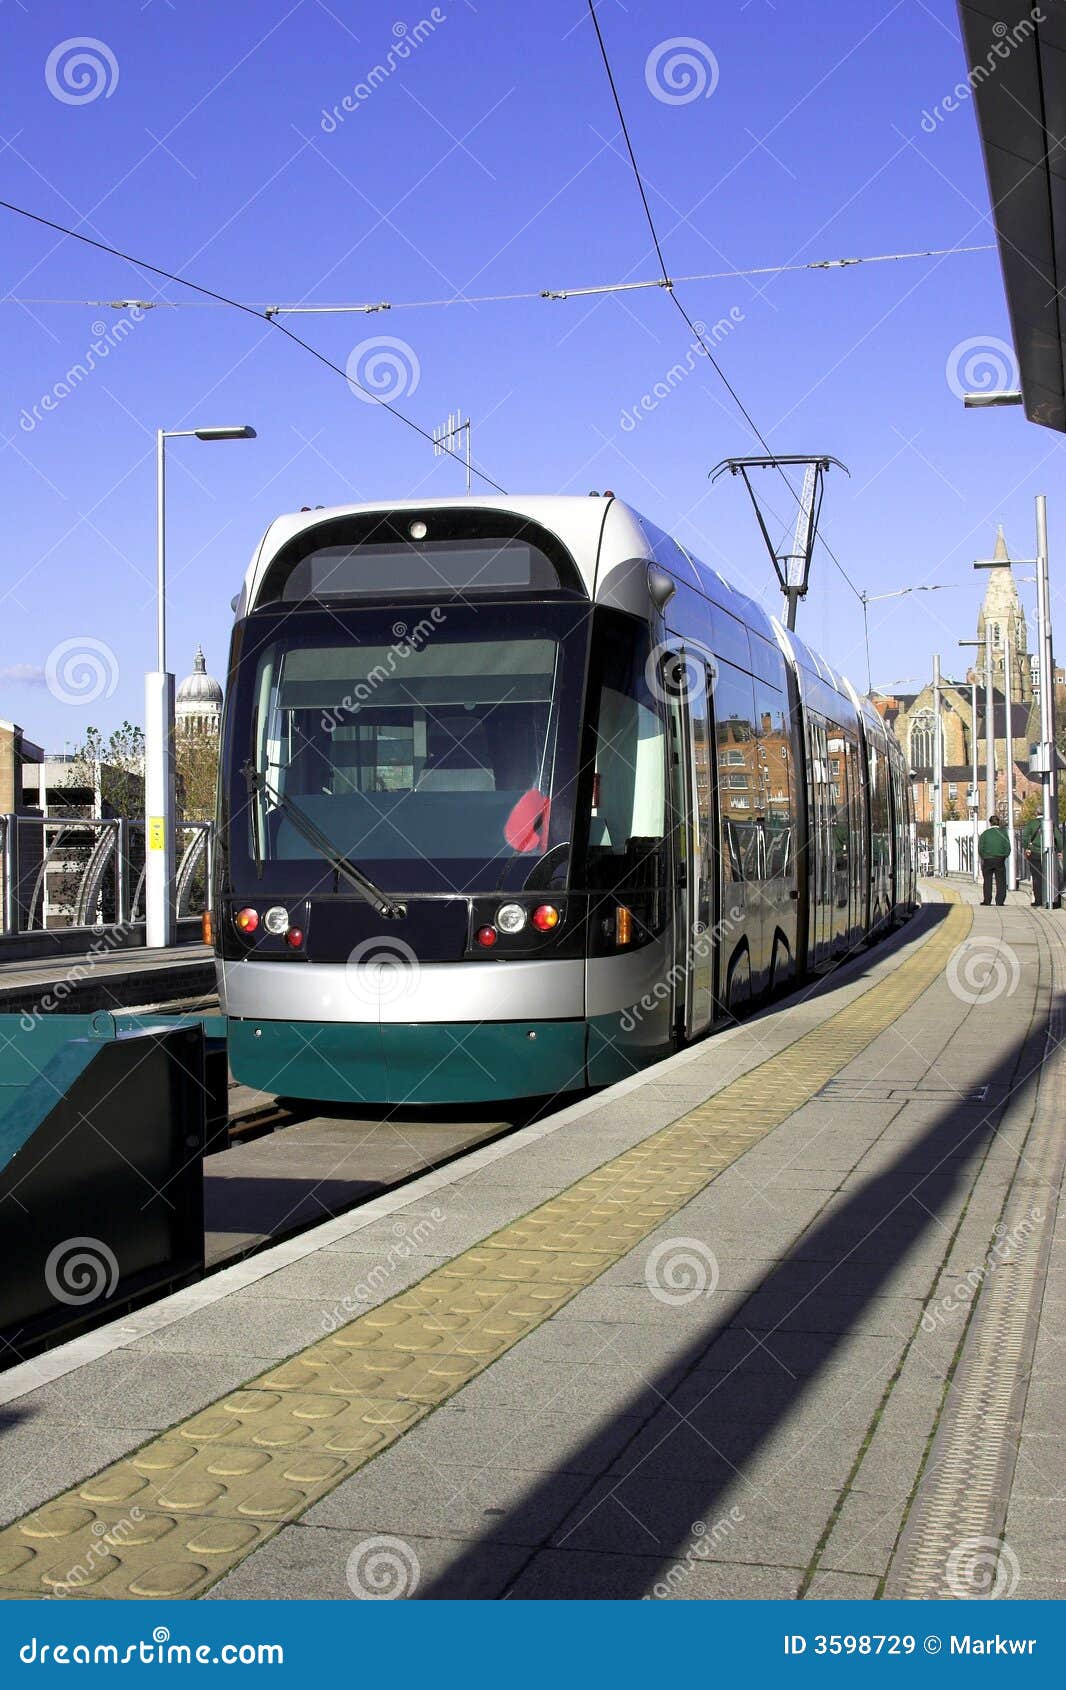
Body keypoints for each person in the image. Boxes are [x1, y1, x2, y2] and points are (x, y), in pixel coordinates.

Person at [1022, 812, 1063, 907]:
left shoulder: (1031, 823)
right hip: (1049, 853)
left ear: (1036, 813)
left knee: (1036, 877)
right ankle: (1052, 899)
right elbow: (1059, 838)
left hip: (1034, 853)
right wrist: (1059, 849)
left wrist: (1027, 847)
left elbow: (1025, 837)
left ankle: (1038, 900)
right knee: (1050, 875)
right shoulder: (1051, 823)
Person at [977, 813, 1011, 906]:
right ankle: (1000, 901)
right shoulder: (1003, 833)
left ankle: (987, 900)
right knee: (1001, 881)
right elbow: (1008, 847)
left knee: (987, 880)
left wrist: (984, 856)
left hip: (988, 859)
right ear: (998, 822)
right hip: (1000, 859)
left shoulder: (985, 834)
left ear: (990, 823)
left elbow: (980, 848)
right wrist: (1004, 855)